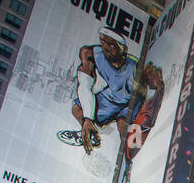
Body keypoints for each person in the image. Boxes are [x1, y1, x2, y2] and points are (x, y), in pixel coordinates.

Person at [59, 27, 138, 157]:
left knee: (123, 125)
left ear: (124, 49)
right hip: (110, 98)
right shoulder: (91, 54)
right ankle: (91, 135)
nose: (105, 47)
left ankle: (131, 156)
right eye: (103, 42)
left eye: (111, 44)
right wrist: (88, 119)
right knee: (77, 109)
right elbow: (85, 85)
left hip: (129, 101)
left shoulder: (134, 66)